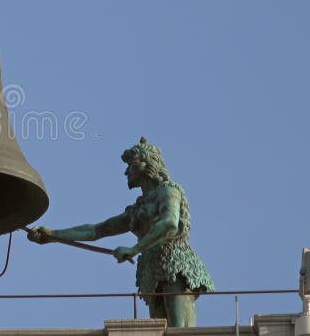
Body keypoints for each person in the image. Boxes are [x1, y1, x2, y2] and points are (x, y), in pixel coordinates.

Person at [28, 137, 214, 327]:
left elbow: (169, 224)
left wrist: (134, 249)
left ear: (145, 164)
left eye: (130, 165)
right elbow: (96, 230)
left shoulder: (168, 191)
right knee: (159, 330)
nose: (126, 171)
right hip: (151, 270)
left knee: (180, 329)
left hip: (175, 264)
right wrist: (52, 235)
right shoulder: (136, 209)